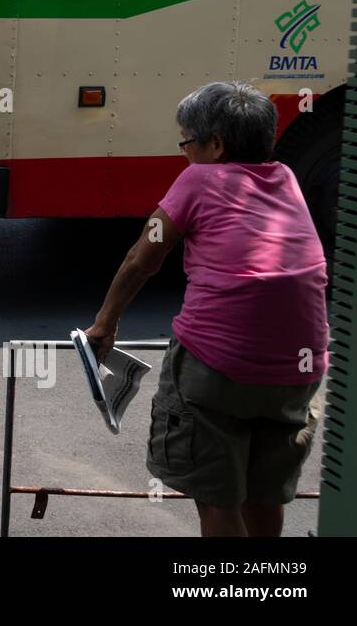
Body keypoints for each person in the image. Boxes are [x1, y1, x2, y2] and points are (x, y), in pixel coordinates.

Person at [83, 81, 329, 537]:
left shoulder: (200, 178)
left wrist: (104, 325)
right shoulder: (286, 178)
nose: (185, 154)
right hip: (300, 368)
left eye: (187, 143)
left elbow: (143, 256)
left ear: (215, 144)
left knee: (217, 498)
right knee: (263, 493)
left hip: (219, 365)